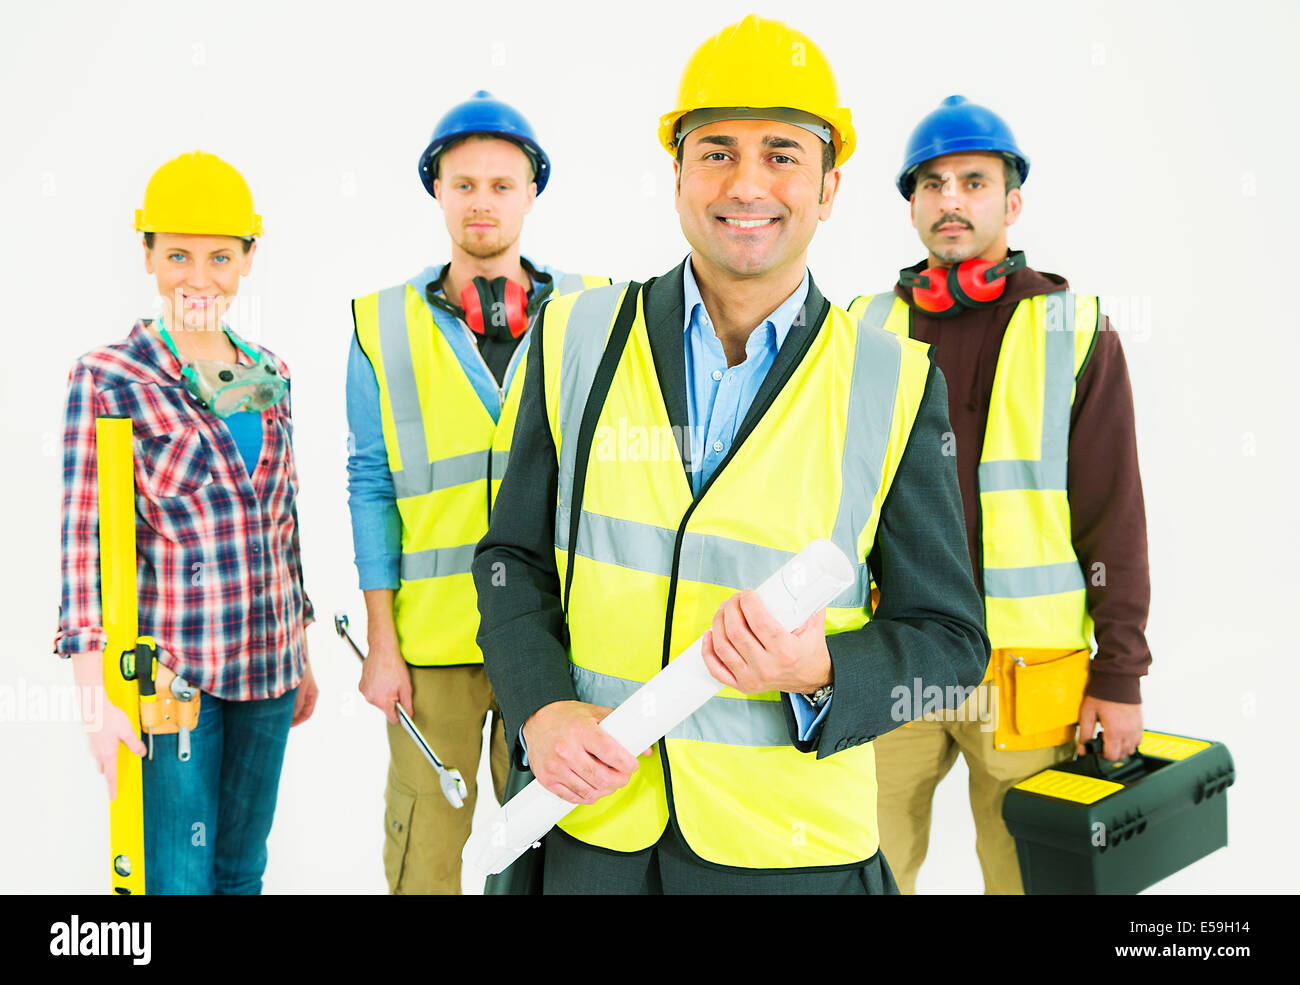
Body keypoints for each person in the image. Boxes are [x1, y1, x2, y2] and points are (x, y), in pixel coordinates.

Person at [471, 15, 989, 894]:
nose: (747, 182)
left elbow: (949, 642)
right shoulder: (576, 336)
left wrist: (820, 669)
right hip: (591, 831)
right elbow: (509, 562)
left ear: (829, 187)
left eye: (783, 152)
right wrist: (541, 708)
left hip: (786, 856)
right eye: (716, 151)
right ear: (676, 173)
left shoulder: (891, 382)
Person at [850, 95, 1151, 895]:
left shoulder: (1073, 328)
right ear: (911, 205)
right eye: (933, 183)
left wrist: (1120, 674)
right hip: (892, 655)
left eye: (973, 181)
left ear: (1011, 202)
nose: (951, 199)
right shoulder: (862, 328)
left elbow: (1113, 512)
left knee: (1031, 881)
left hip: (1026, 671)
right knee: (860, 871)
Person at [346, 91, 609, 895]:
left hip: (556, 634)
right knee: (426, 848)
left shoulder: (597, 308)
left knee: (550, 840)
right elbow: (370, 485)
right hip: (435, 651)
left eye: (502, 185)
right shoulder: (379, 323)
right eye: (464, 185)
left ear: (533, 192)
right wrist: (381, 644)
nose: (483, 202)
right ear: (437, 191)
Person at [56, 150, 317, 894]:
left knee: (241, 872)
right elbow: (85, 544)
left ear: (247, 260)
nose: (198, 277)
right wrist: (95, 698)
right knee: (177, 880)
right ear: (147, 255)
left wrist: (300, 648)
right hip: (176, 679)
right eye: (177, 255)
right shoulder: (108, 377)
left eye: (219, 256)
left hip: (268, 672)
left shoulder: (269, 373)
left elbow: (282, 519)